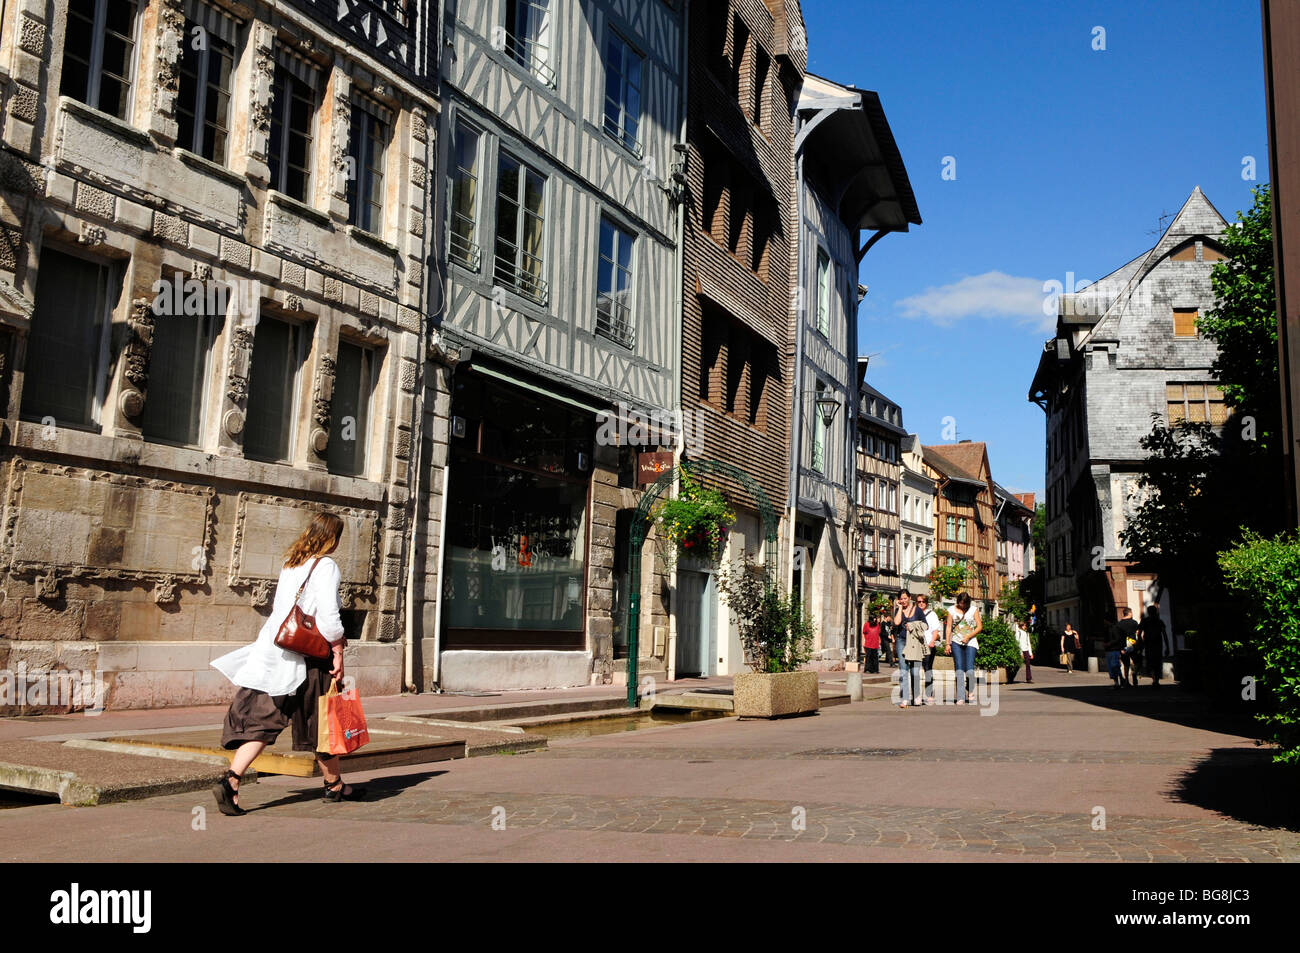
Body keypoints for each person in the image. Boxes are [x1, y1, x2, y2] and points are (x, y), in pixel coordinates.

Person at [210, 512, 365, 815]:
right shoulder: (326, 566)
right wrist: (338, 650)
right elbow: (330, 617)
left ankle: (234, 780)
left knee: (267, 722)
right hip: (308, 657)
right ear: (332, 539)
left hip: (277, 653)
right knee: (324, 721)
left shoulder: (291, 563)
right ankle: (331, 786)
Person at [892, 590, 928, 708]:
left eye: (905, 598)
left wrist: (913, 625)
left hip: (915, 642)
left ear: (909, 598)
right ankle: (905, 698)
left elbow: (925, 625)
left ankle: (917, 696)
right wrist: (899, 608)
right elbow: (897, 623)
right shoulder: (899, 610)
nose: (903, 601)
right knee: (903, 670)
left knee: (915, 671)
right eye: (901, 599)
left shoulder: (917, 610)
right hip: (902, 641)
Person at [946, 592, 982, 704]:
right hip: (956, 641)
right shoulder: (951, 610)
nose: (962, 606)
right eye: (960, 603)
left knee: (970, 669)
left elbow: (980, 626)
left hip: (970, 641)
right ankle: (960, 696)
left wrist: (968, 637)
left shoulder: (973, 610)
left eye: (964, 604)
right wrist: (948, 643)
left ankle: (970, 691)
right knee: (959, 669)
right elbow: (948, 627)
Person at [916, 594, 942, 704]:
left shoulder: (932, 615)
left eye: (923, 601)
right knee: (915, 669)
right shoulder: (914, 614)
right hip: (916, 645)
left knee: (927, 668)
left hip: (928, 645)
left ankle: (929, 693)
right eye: (918, 601)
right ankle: (916, 694)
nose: (921, 603)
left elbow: (935, 631)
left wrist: (932, 641)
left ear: (926, 603)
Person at [1107, 607, 1139, 689]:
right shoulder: (1134, 623)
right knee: (1135, 662)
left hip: (1123, 646)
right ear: (1129, 613)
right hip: (1133, 645)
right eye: (1131, 613)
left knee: (1126, 664)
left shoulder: (1119, 624)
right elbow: (1138, 633)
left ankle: (1127, 680)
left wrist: (1120, 647)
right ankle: (1134, 675)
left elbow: (1119, 636)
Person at [1139, 603, 1168, 689]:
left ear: (1148, 612)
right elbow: (1165, 635)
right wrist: (1167, 646)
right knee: (1157, 662)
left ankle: (1154, 679)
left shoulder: (1144, 621)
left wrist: (1141, 642)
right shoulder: (1159, 621)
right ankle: (1156, 681)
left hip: (1148, 644)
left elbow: (1139, 633)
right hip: (1158, 644)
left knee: (1150, 662)